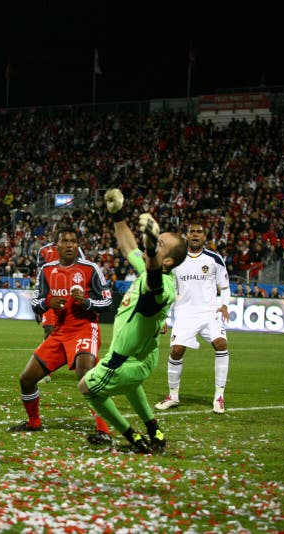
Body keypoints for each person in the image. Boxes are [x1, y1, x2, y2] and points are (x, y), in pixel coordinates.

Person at [78, 189, 187, 453]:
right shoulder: (149, 267)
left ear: (168, 260)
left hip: (126, 359)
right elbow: (129, 246)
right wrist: (118, 214)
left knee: (87, 388)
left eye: (160, 244)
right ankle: (154, 431)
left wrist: (150, 247)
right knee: (131, 386)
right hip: (141, 356)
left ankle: (132, 437)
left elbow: (152, 282)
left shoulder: (164, 286)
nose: (152, 244)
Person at [8, 227, 114, 443]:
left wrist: (86, 302)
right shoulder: (47, 270)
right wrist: (48, 303)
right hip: (60, 331)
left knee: (86, 375)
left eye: (73, 241)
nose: (69, 245)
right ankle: (34, 422)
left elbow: (107, 301)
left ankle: (104, 431)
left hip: (85, 327)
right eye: (64, 241)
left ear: (78, 245)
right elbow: (36, 303)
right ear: (56, 246)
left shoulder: (91, 269)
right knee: (26, 379)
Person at [154, 221, 232, 414]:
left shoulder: (215, 258)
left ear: (205, 237)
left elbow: (224, 286)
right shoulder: (176, 260)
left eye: (199, 232)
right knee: (176, 350)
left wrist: (224, 305)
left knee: (221, 344)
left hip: (209, 312)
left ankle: (219, 397)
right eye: (192, 232)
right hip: (185, 313)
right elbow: (170, 290)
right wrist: (163, 316)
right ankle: (173, 396)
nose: (196, 235)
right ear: (186, 236)